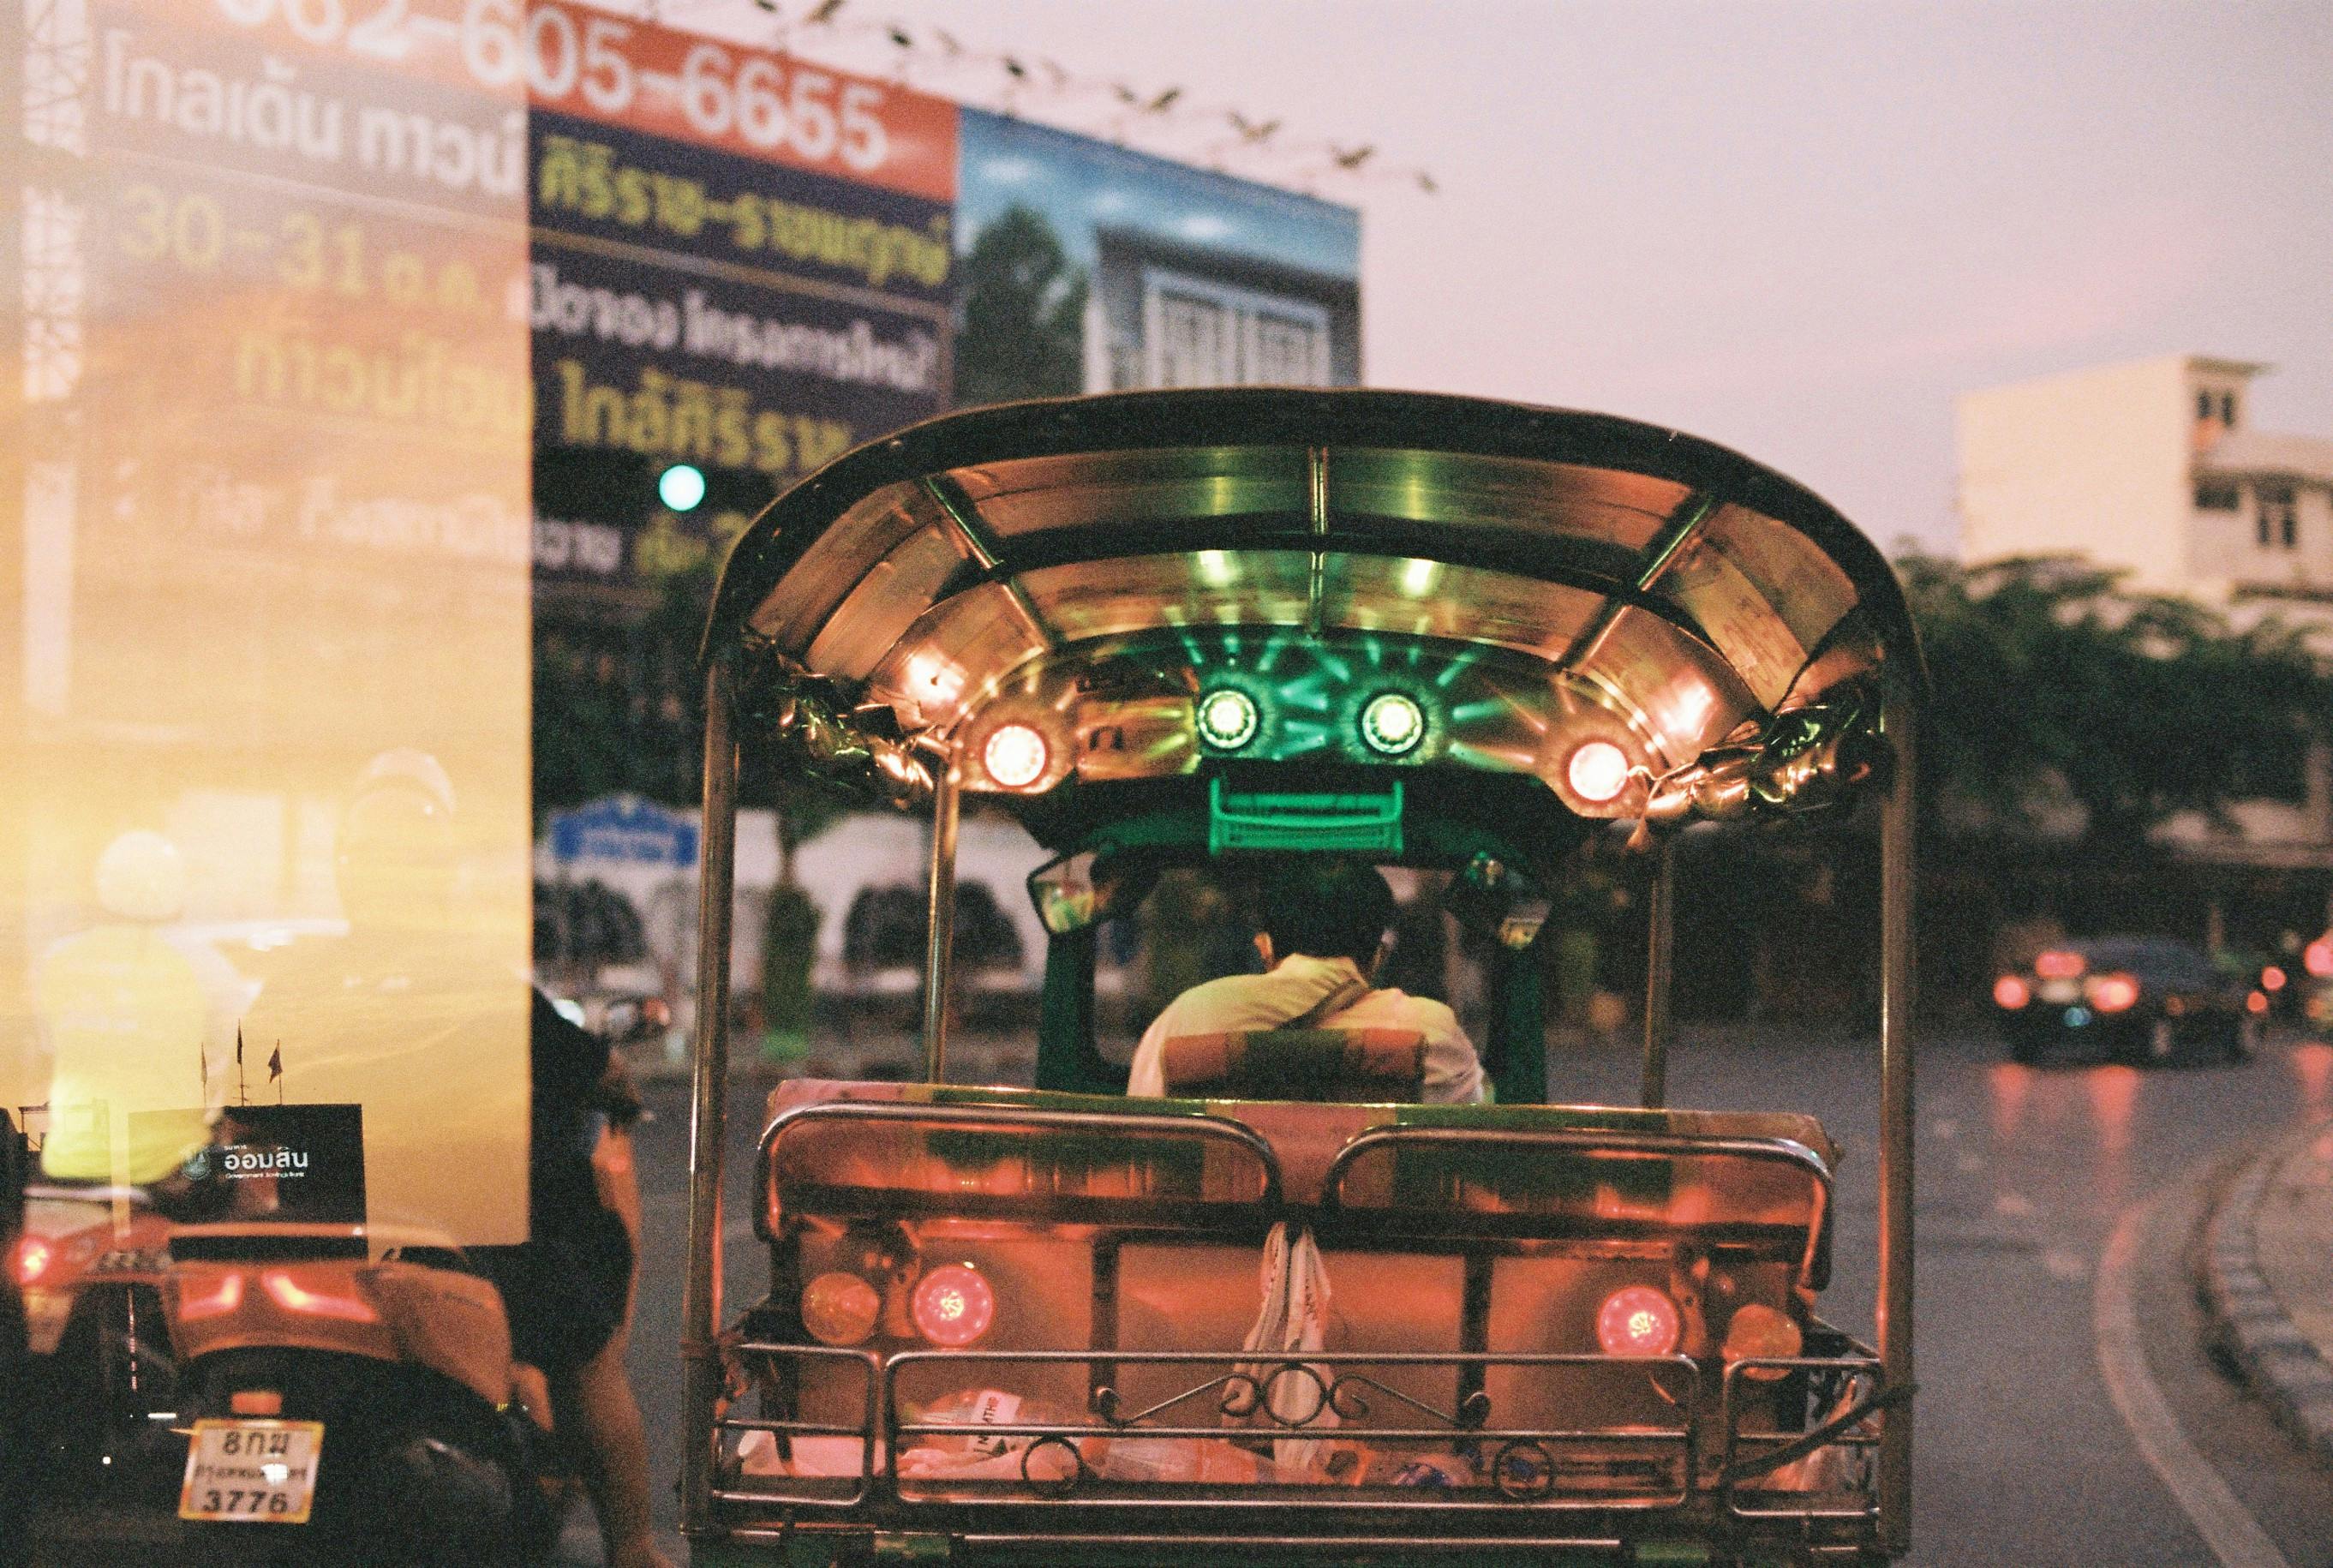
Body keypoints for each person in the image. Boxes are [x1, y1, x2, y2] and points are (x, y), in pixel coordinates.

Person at [1127, 860, 1485, 1104]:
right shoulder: (1430, 1030)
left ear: (1265, 949)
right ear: (1378, 956)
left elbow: (1146, 1135)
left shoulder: (1189, 1017)